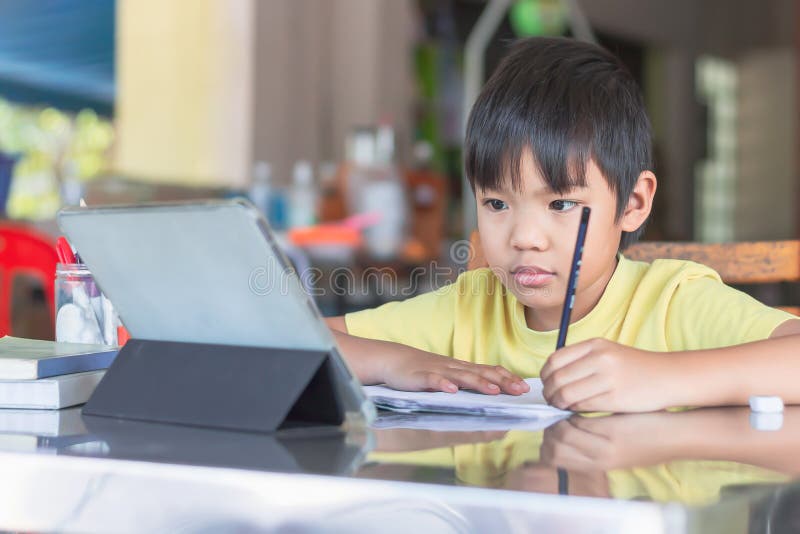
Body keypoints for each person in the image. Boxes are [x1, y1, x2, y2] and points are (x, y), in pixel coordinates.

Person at [325, 37, 800, 412]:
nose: (524, 238)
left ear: (633, 202)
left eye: (561, 204)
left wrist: (662, 376)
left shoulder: (673, 302)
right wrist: (394, 360)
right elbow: (298, 338)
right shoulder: (471, 306)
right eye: (496, 203)